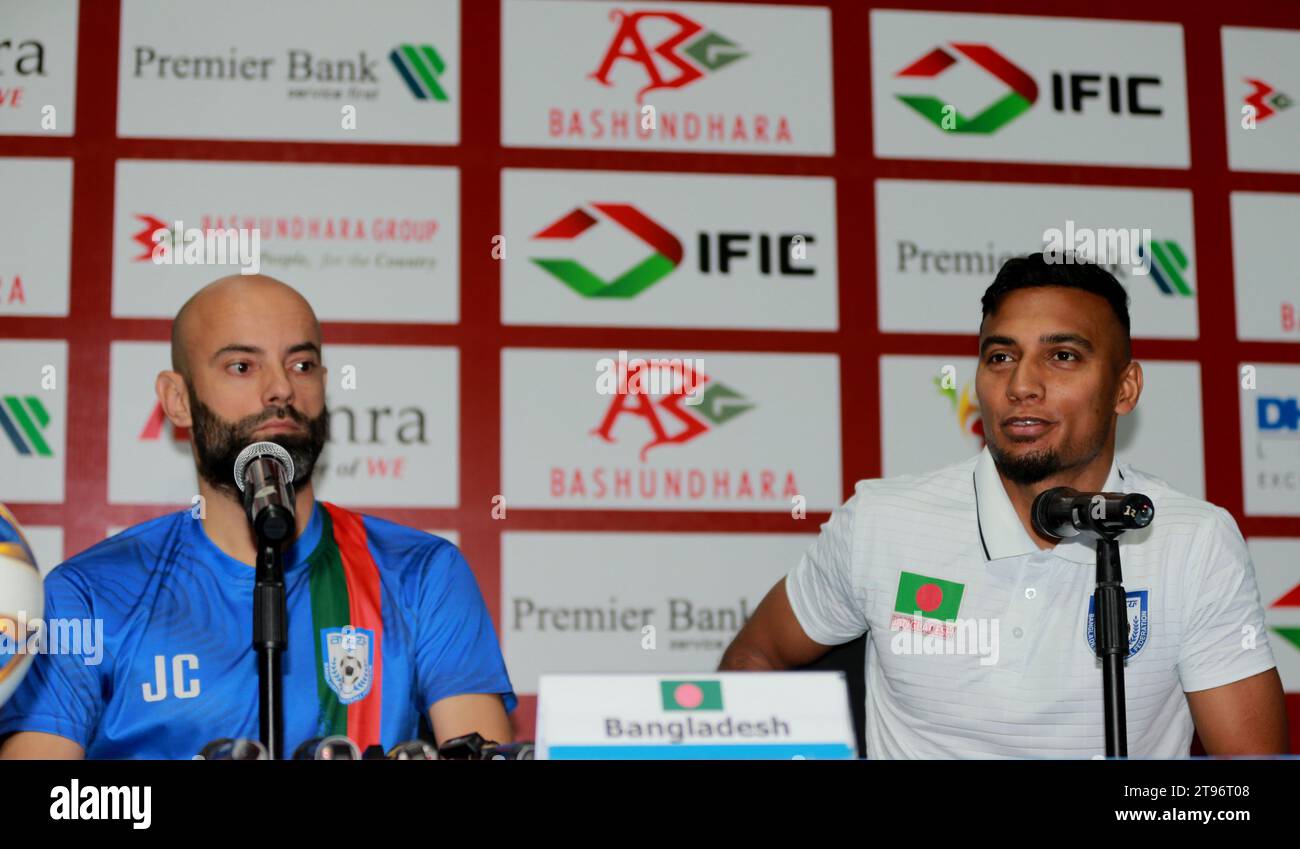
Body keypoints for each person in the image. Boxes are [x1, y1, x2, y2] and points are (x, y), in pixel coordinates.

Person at [721, 253, 1288, 758]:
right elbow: (754, 659)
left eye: (1061, 356)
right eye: (999, 357)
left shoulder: (1192, 541)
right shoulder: (882, 521)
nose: (1021, 385)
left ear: (1125, 388)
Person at [0, 274, 514, 759]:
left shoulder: (420, 574)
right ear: (178, 400)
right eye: (242, 366)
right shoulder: (89, 594)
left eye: (301, 365)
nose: (281, 389)